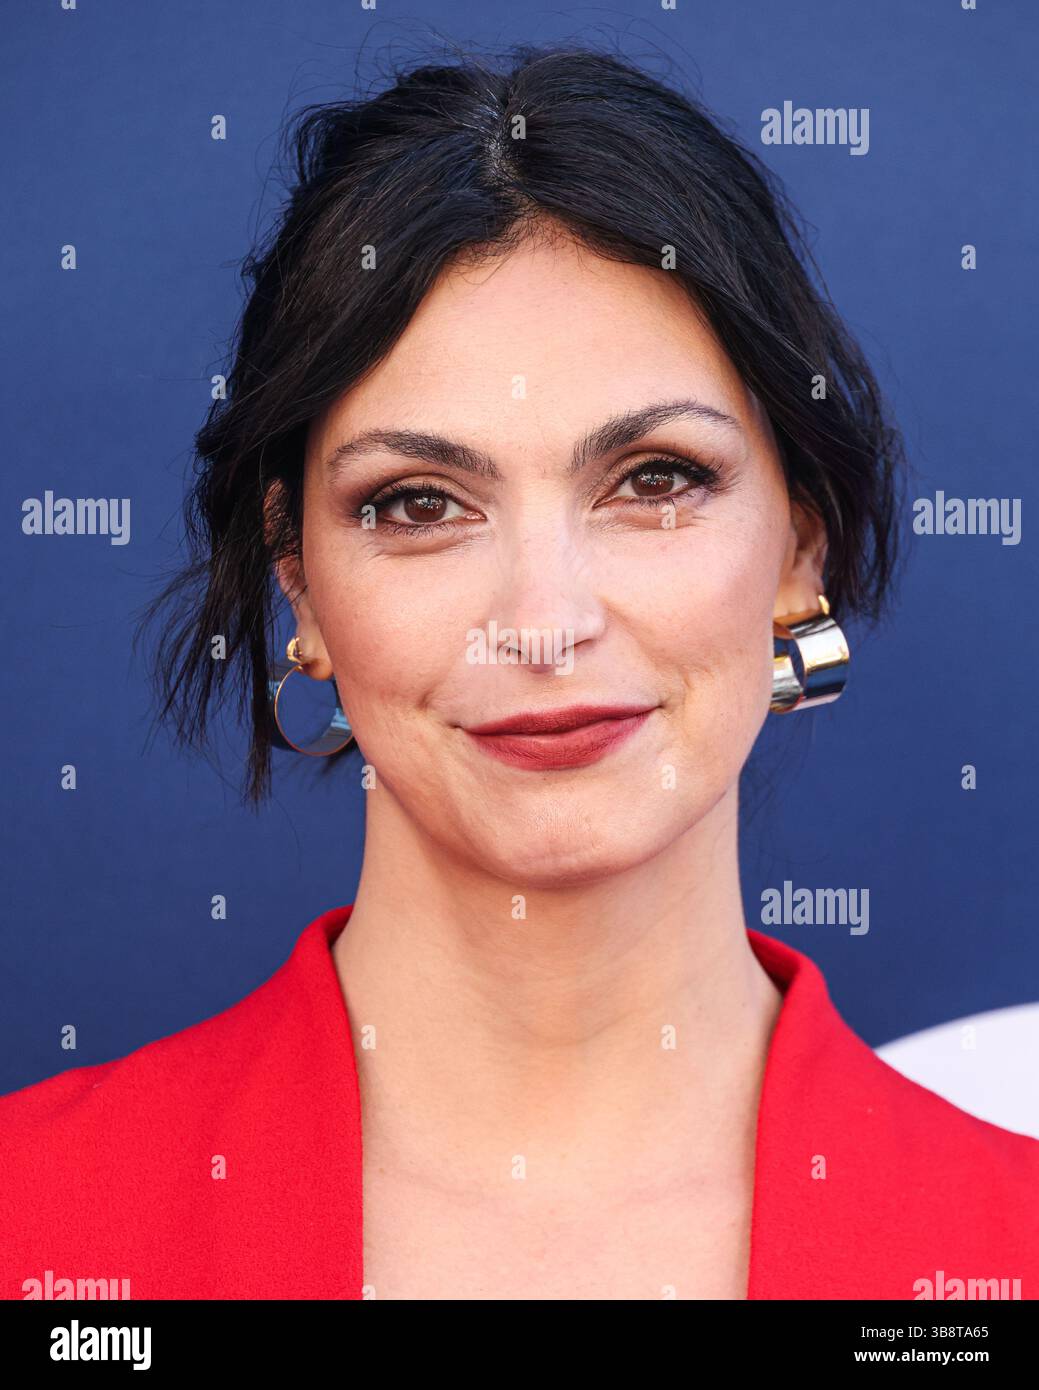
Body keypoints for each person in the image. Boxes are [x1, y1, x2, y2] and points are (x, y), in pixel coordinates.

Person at [3, 45, 1036, 1302]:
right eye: (418, 502)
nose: (542, 624)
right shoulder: (37, 1227)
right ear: (297, 579)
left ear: (798, 545)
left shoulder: (1006, 1254)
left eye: (654, 479)